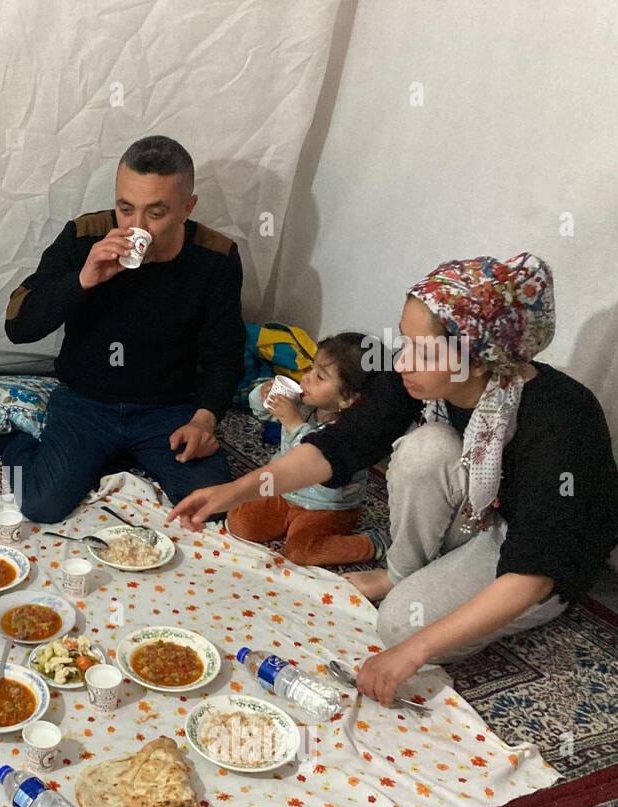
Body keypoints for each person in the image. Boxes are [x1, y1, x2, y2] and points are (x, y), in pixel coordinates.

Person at [169, 253, 618, 705]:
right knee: (426, 447)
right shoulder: (416, 382)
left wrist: (412, 652)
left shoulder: (562, 425)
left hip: (537, 558)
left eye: (424, 352)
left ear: (478, 363)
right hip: (481, 507)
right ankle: (402, 571)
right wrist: (235, 491)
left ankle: (424, 589)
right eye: (405, 342)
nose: (404, 362)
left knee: (401, 624)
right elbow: (342, 445)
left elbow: (533, 574)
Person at [1, 135, 246, 523]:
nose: (136, 226)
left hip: (166, 408)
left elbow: (225, 351)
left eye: (156, 212)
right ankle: (20, 444)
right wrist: (83, 279)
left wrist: (203, 420)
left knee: (213, 509)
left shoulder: (215, 258)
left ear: (187, 208)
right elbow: (18, 325)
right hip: (87, 401)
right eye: (125, 208)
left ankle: (124, 454)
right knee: (41, 506)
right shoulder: (85, 236)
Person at [228, 332, 387, 566]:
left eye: (320, 377)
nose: (306, 379)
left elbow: (315, 461)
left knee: (302, 552)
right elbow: (262, 413)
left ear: (348, 399)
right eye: (311, 369)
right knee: (240, 522)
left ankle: (372, 543)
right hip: (284, 491)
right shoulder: (306, 402)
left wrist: (293, 424)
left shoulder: (353, 431)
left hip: (327, 506)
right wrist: (263, 396)